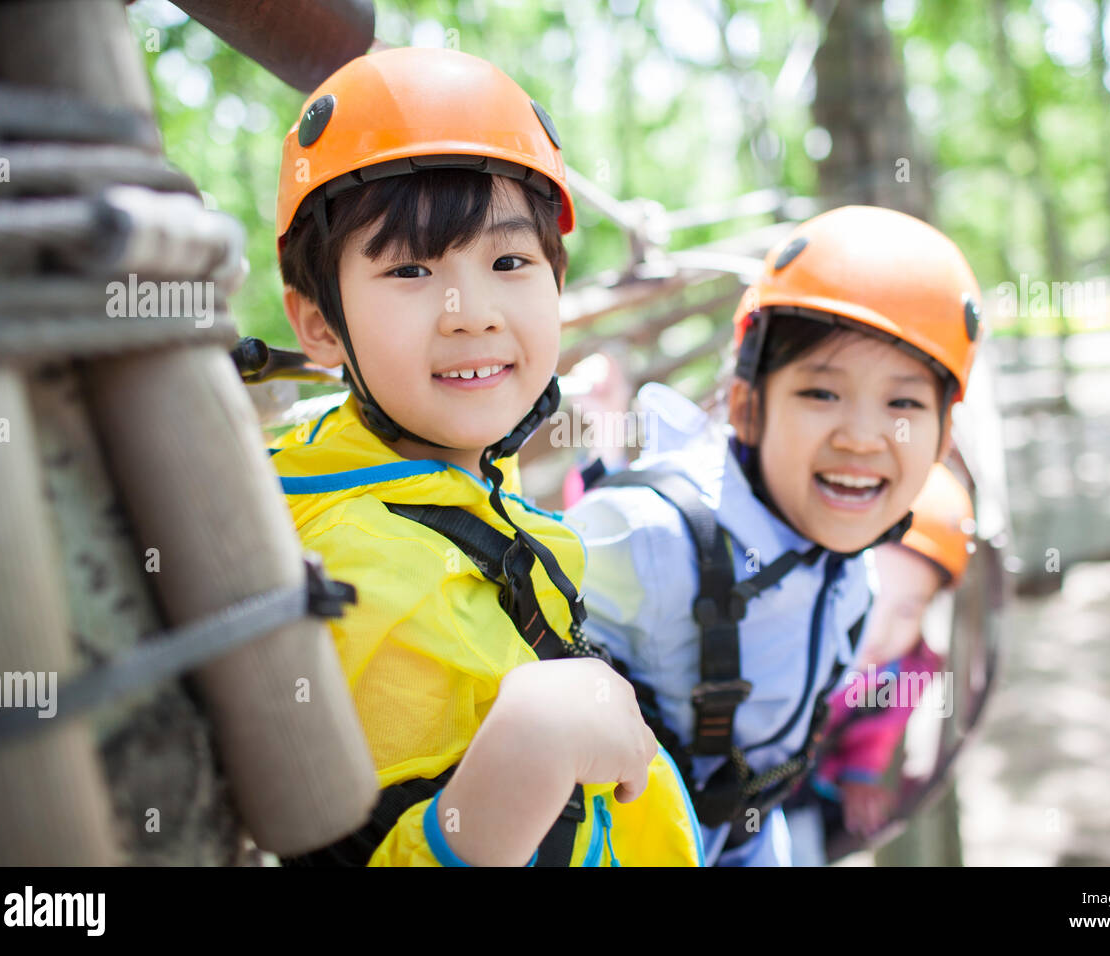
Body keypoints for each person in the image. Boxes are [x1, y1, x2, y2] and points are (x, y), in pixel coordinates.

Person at [266, 47, 703, 867]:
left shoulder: (440, 479)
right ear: (321, 324)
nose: (471, 314)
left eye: (508, 262)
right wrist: (531, 748)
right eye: (411, 268)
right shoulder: (368, 575)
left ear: (556, 283)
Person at [565, 205, 984, 865]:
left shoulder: (854, 574)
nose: (862, 437)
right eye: (822, 393)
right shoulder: (653, 535)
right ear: (746, 406)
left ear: (941, 441)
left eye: (903, 403)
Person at [794, 461, 976, 861]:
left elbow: (876, 729)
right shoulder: (790, 634)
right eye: (870, 597)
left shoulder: (902, 674)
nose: (880, 631)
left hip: (794, 795)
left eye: (908, 611)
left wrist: (859, 773)